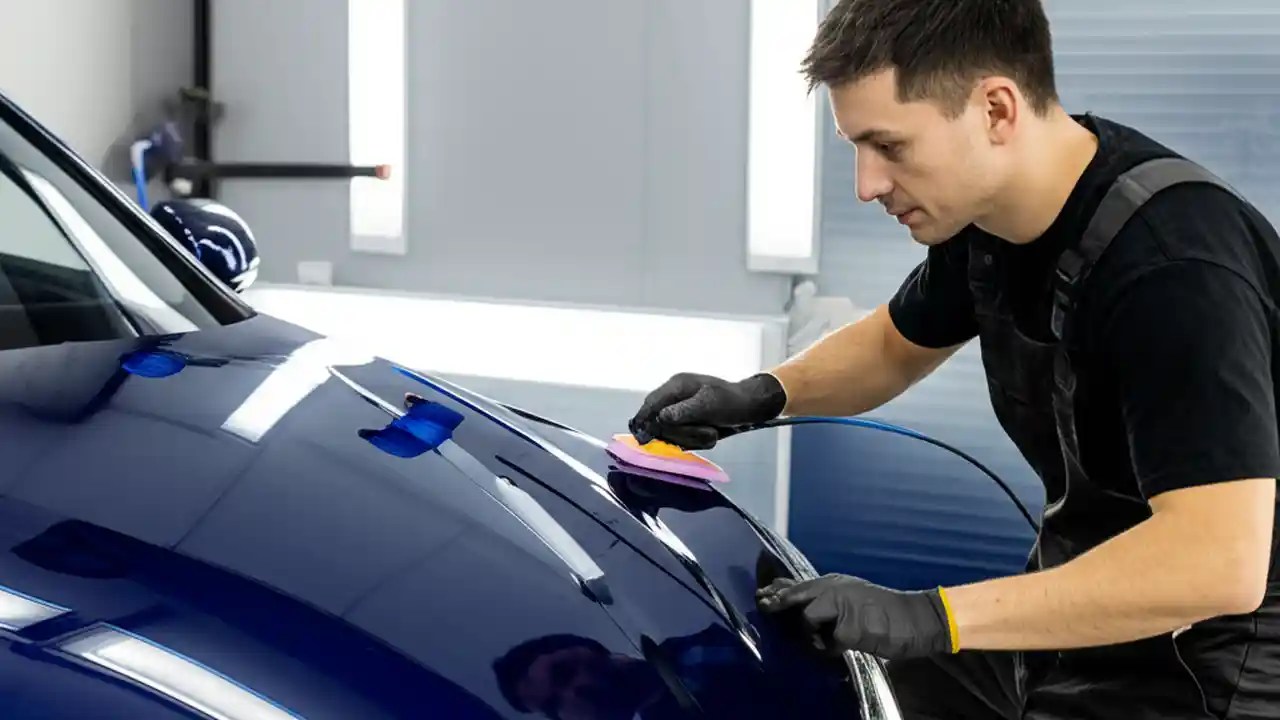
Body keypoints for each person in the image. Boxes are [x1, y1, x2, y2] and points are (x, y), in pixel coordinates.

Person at [627, 0, 1280, 718]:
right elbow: (891, 346)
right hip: (1077, 609)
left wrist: (927, 618)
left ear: (996, 110)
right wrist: (758, 395)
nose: (866, 185)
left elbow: (1216, 563)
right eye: (854, 148)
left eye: (890, 147)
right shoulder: (992, 218)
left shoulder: (1172, 268)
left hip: (1215, 665)